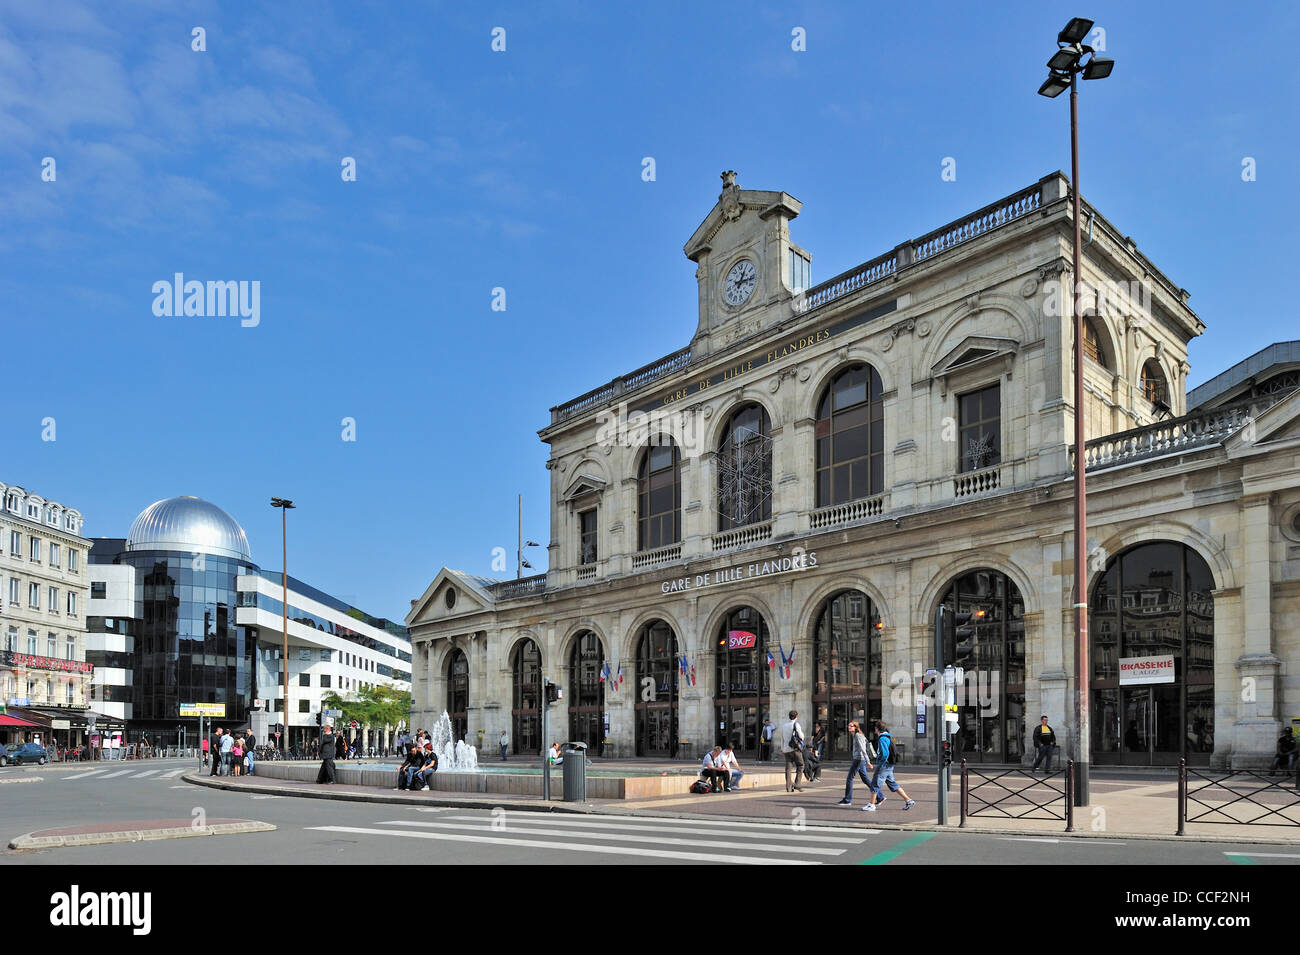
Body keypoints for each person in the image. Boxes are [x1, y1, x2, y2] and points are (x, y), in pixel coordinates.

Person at [863, 721, 915, 812]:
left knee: (875, 784)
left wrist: (881, 763)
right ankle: (908, 800)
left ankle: (871, 805)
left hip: (884, 765)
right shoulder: (888, 737)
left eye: (875, 728)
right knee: (893, 784)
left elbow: (885, 754)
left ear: (877, 729)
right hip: (889, 766)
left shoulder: (882, 739)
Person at [837, 721, 875, 806]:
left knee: (849, 779)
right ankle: (880, 796)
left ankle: (847, 800)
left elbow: (863, 749)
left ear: (856, 727)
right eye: (848, 725)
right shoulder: (855, 736)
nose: (849, 727)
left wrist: (868, 762)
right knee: (865, 779)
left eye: (851, 726)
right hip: (859, 759)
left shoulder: (858, 736)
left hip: (859, 760)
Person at [779, 710, 805, 793]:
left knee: (788, 769)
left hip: (786, 749)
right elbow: (801, 736)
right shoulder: (796, 724)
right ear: (796, 716)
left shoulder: (784, 726)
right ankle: (797, 784)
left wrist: (782, 748)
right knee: (800, 765)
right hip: (795, 749)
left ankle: (788, 787)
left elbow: (782, 738)